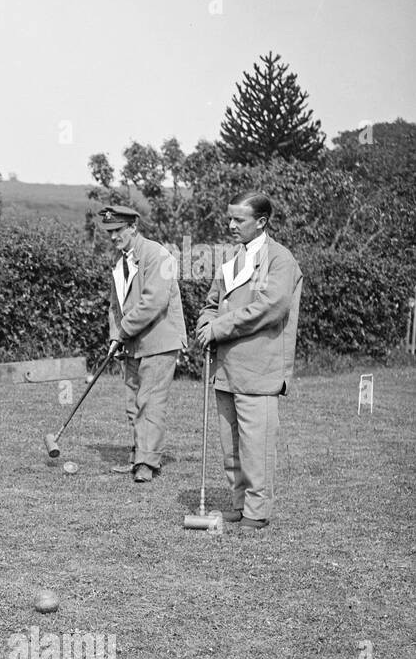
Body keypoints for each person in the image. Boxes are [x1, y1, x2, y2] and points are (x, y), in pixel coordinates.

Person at [195, 191, 302, 530]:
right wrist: (204, 324)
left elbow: (270, 308)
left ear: (261, 222)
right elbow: (212, 303)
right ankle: (240, 505)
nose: (231, 225)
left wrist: (218, 327)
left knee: (257, 447)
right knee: (231, 448)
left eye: (238, 219)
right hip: (225, 369)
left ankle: (257, 512)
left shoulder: (280, 260)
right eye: (229, 218)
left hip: (259, 369)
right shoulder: (230, 258)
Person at [99, 204, 187, 482]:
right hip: (132, 342)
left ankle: (147, 462)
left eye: (118, 230)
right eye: (109, 232)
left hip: (159, 340)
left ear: (133, 227)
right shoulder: (119, 260)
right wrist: (115, 336)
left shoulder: (158, 255)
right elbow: (115, 305)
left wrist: (123, 331)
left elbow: (154, 302)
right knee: (133, 402)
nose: (113, 236)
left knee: (150, 402)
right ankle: (139, 453)